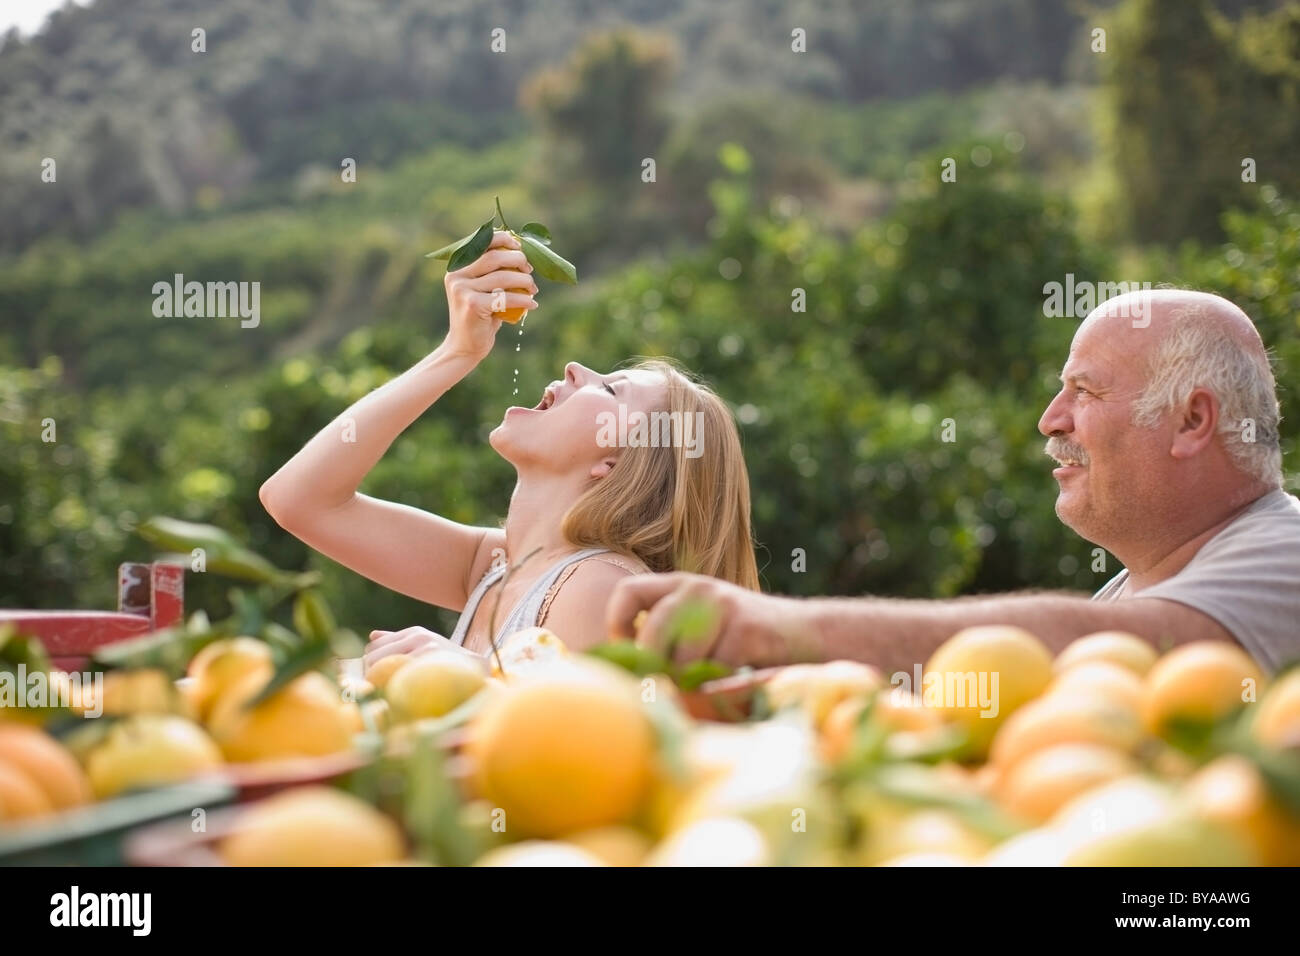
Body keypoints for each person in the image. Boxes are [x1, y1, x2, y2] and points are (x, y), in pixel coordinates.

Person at [607, 289, 1300, 675]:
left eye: (1083, 392)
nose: (1048, 420)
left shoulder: (1284, 554)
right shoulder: (1136, 586)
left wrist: (783, 630)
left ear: (1192, 421)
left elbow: (1106, 643)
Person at [259, 231, 758, 670]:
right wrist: (457, 352)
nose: (574, 368)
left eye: (608, 390)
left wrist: (470, 674)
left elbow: (584, 740)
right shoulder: (497, 567)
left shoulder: (599, 586)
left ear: (618, 464)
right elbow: (297, 499)